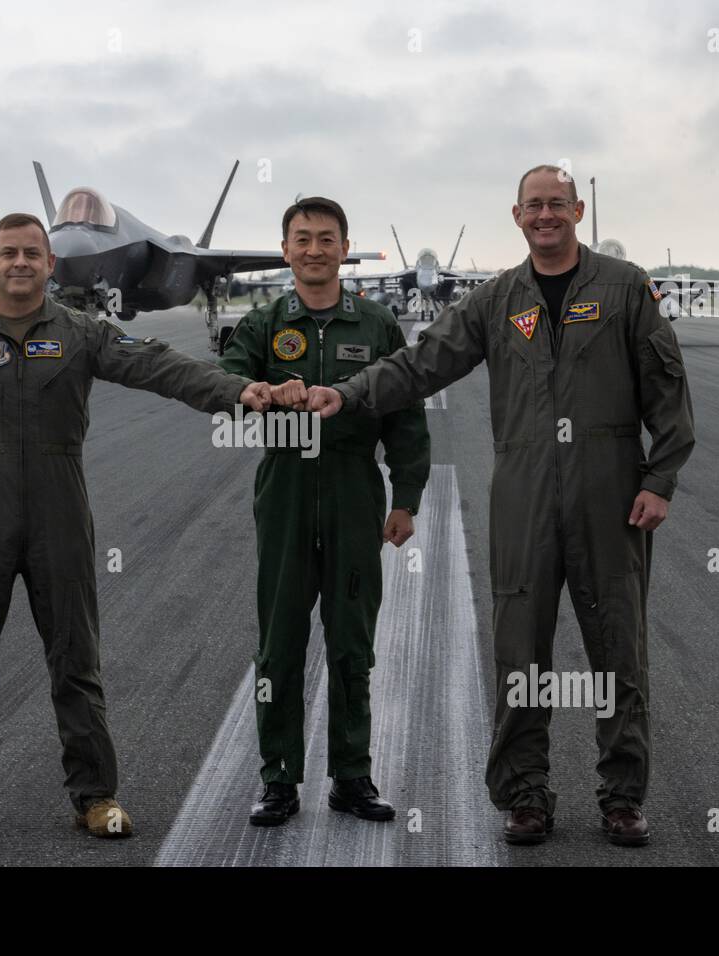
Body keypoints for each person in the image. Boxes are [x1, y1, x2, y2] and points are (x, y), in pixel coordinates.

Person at [307, 166, 695, 847]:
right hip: (522, 495)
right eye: (533, 206)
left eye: (557, 204)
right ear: (516, 216)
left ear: (576, 210)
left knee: (619, 652)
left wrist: (659, 479)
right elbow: (423, 362)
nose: (546, 215)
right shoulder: (495, 300)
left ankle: (623, 797)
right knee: (520, 652)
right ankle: (525, 794)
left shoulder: (624, 288)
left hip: (609, 495)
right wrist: (351, 392)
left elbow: (669, 390)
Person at [0, 212, 272, 840]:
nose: (20, 263)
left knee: (76, 666)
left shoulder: (79, 333)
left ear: (49, 265)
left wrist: (234, 391)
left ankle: (95, 796)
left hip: (59, 521)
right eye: (8, 253)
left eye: (32, 254)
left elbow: (156, 364)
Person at [218, 197, 430, 826]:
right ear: (285, 250)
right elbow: (224, 391)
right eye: (302, 239)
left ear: (345, 247)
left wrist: (406, 498)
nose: (314, 249)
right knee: (278, 646)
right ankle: (278, 779)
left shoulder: (376, 325)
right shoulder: (260, 326)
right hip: (282, 495)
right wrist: (255, 392)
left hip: (353, 493)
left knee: (352, 645)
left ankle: (352, 775)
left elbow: (405, 412)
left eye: (326, 239)